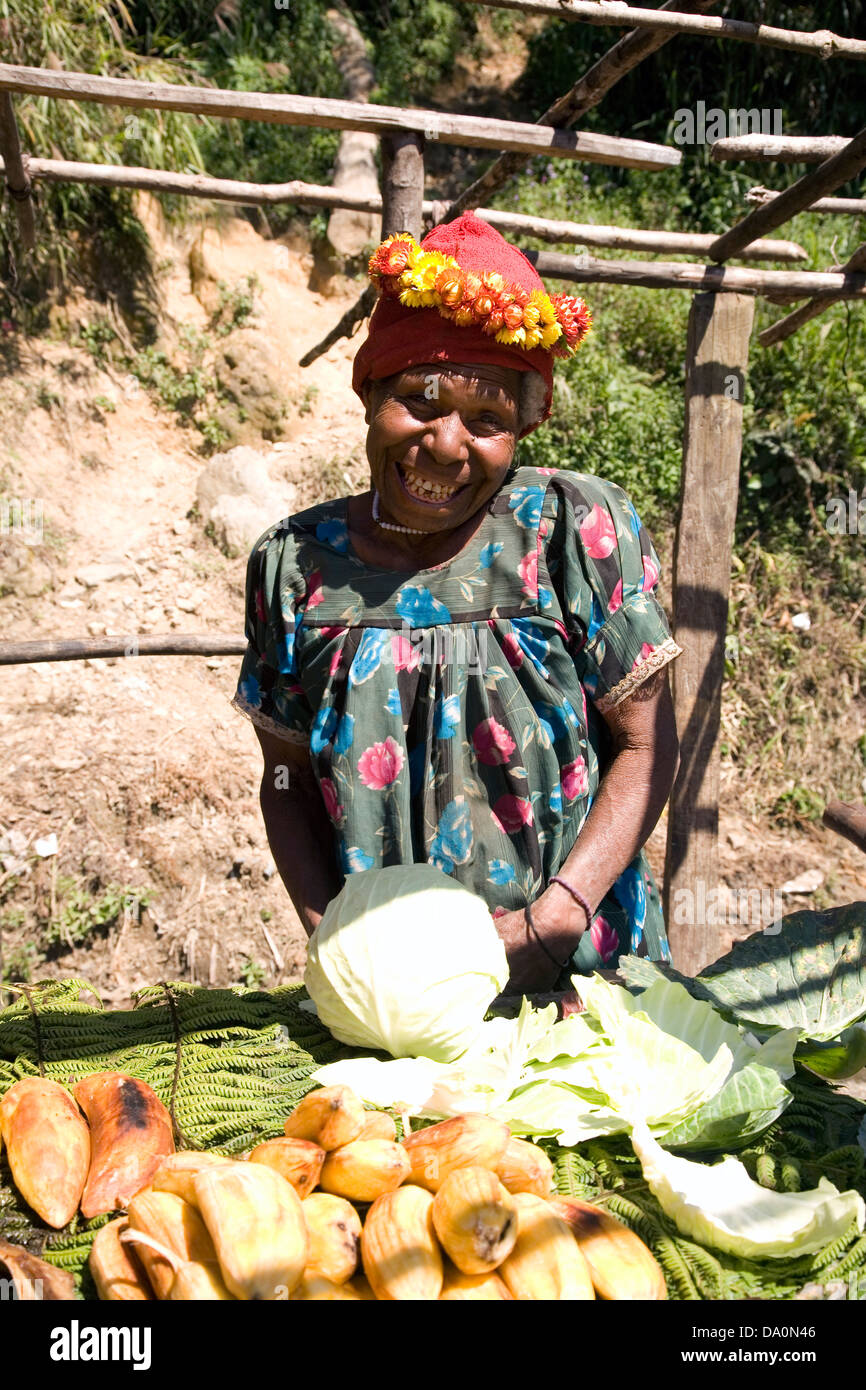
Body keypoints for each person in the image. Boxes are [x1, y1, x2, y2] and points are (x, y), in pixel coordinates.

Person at [233, 211, 682, 995]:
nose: (446, 444)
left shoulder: (572, 530)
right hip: (399, 997)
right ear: (369, 392)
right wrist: (338, 946)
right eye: (419, 401)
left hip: (582, 982)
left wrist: (560, 915)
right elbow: (287, 781)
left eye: (488, 421)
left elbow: (647, 746)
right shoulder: (294, 564)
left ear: (522, 430)